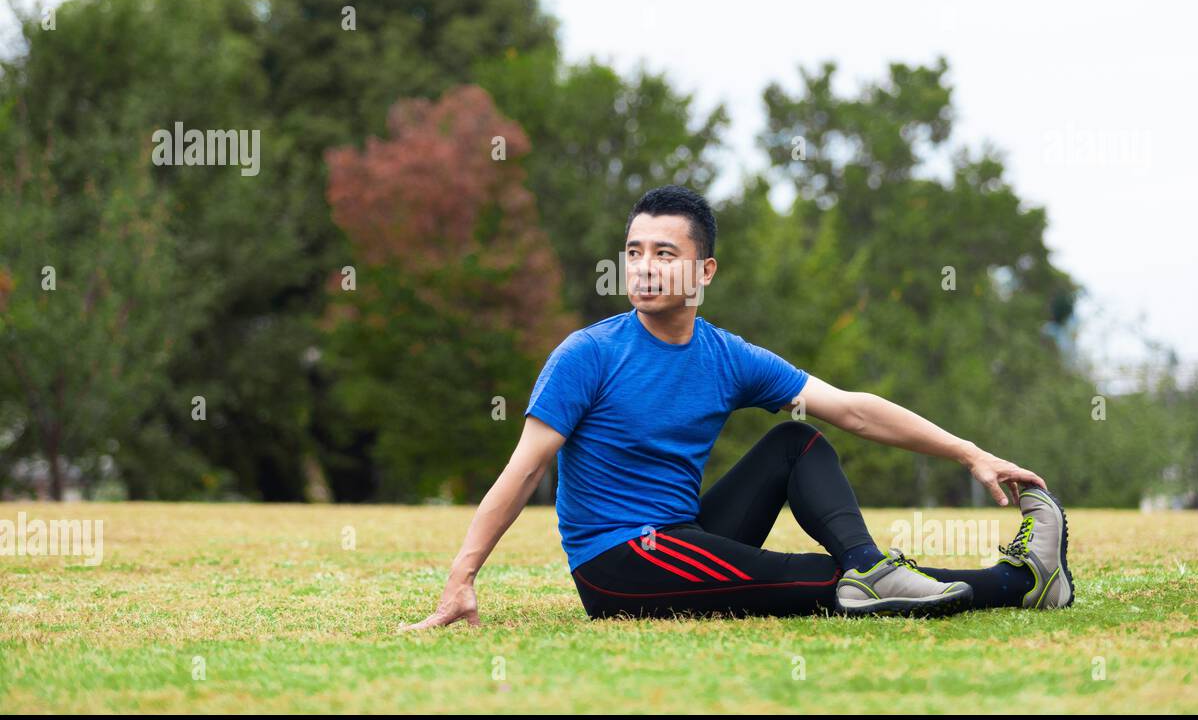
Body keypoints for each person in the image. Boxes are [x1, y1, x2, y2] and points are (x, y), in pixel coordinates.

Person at [399, 185, 1074, 630]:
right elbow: (522, 471)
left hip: (682, 535)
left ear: (705, 272)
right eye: (634, 252)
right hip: (620, 566)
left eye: (665, 253)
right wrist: (462, 577)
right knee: (819, 582)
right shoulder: (588, 354)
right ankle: (1017, 583)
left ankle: (871, 569)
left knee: (795, 441)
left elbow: (851, 411)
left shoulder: (725, 357)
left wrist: (970, 453)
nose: (643, 267)